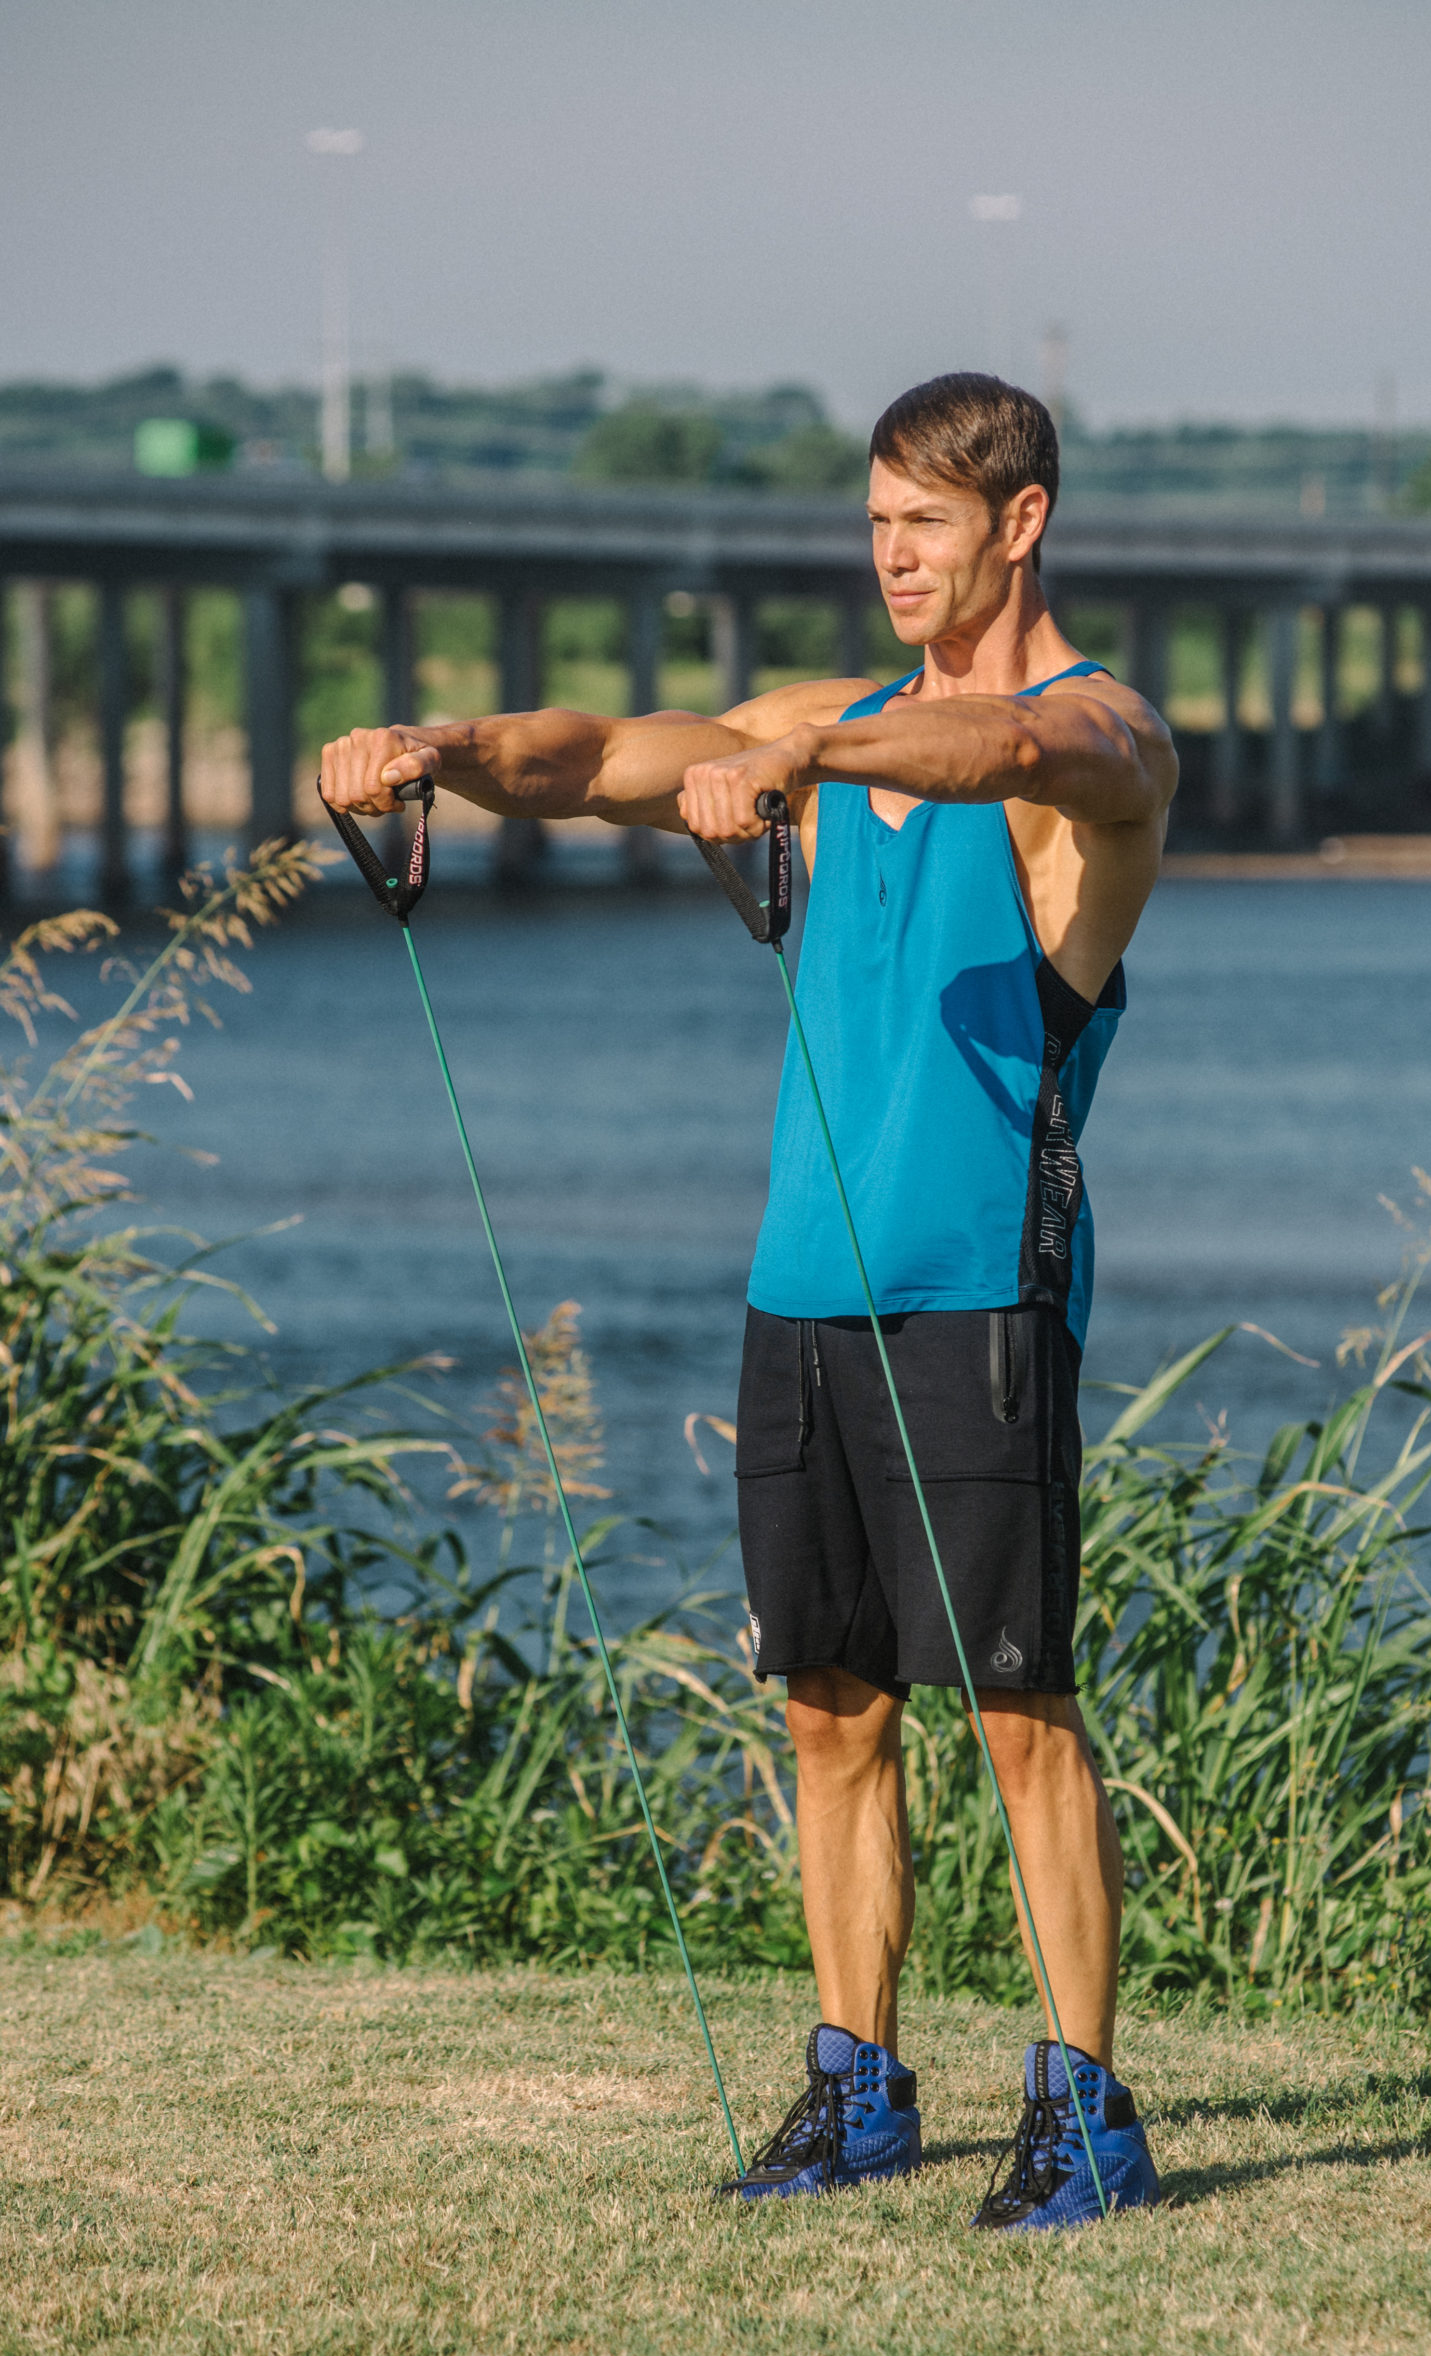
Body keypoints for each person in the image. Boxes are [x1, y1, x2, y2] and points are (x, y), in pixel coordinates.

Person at [320, 372, 1179, 2230]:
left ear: (1017, 524)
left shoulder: (1096, 733)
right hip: (803, 1292)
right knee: (827, 1704)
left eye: (923, 526)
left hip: (980, 1301)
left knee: (1018, 1715)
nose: (888, 556)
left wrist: (813, 763)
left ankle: (1086, 2107)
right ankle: (857, 2085)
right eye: (872, 522)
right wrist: (436, 743)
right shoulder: (824, 715)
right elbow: (604, 754)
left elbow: (1014, 758)